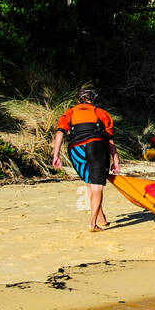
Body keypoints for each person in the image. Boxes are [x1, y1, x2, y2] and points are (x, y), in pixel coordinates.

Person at [52, 88, 120, 231]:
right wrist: (116, 161)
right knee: (97, 186)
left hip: (76, 150)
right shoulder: (102, 113)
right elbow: (110, 140)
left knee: (90, 183)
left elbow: (60, 133)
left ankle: (102, 218)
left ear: (78, 100)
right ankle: (92, 223)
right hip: (96, 147)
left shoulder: (69, 112)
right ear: (93, 99)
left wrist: (56, 155)